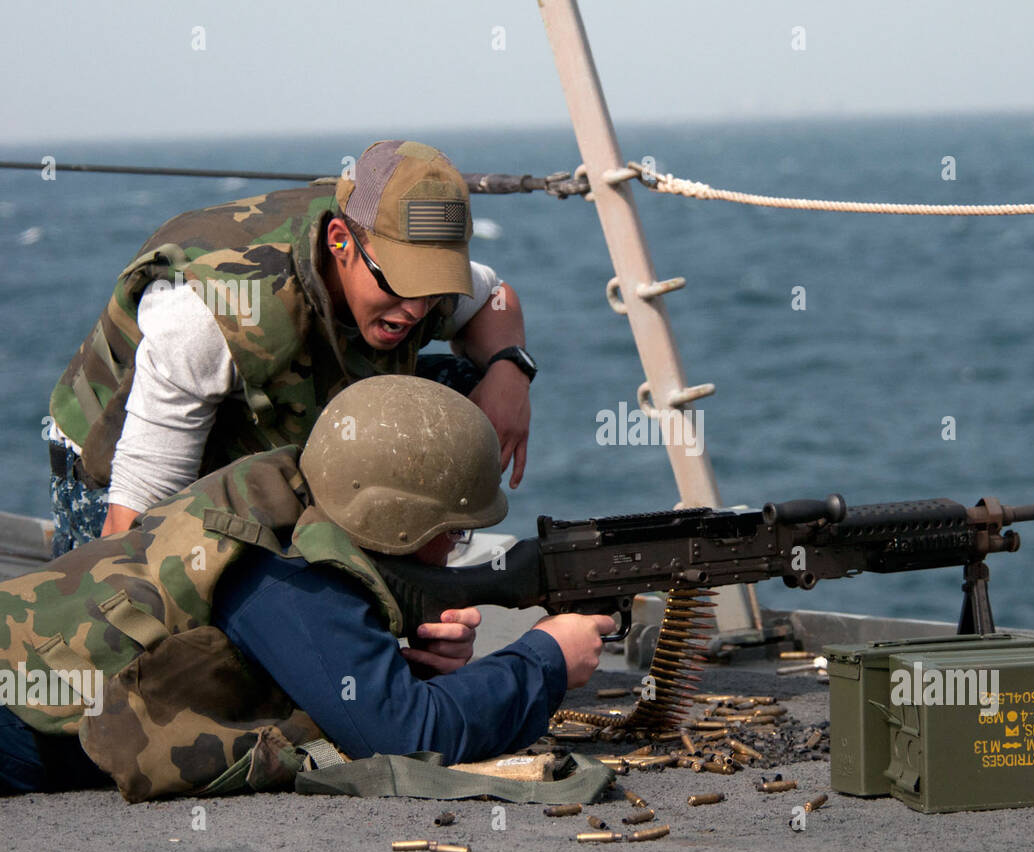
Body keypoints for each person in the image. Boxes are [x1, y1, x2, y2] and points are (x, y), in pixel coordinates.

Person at [0, 376, 608, 800]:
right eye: (449, 529)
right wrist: (546, 658)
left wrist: (403, 659)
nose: (456, 546)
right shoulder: (286, 572)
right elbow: (408, 737)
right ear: (395, 520)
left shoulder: (290, 501)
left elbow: (313, 664)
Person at [46, 139, 540, 556]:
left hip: (268, 406)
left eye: (432, 286)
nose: (416, 308)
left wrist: (510, 370)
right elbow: (132, 533)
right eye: (401, 284)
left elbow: (496, 301)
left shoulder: (405, 264)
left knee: (459, 395)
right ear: (341, 242)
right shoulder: (209, 320)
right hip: (122, 448)